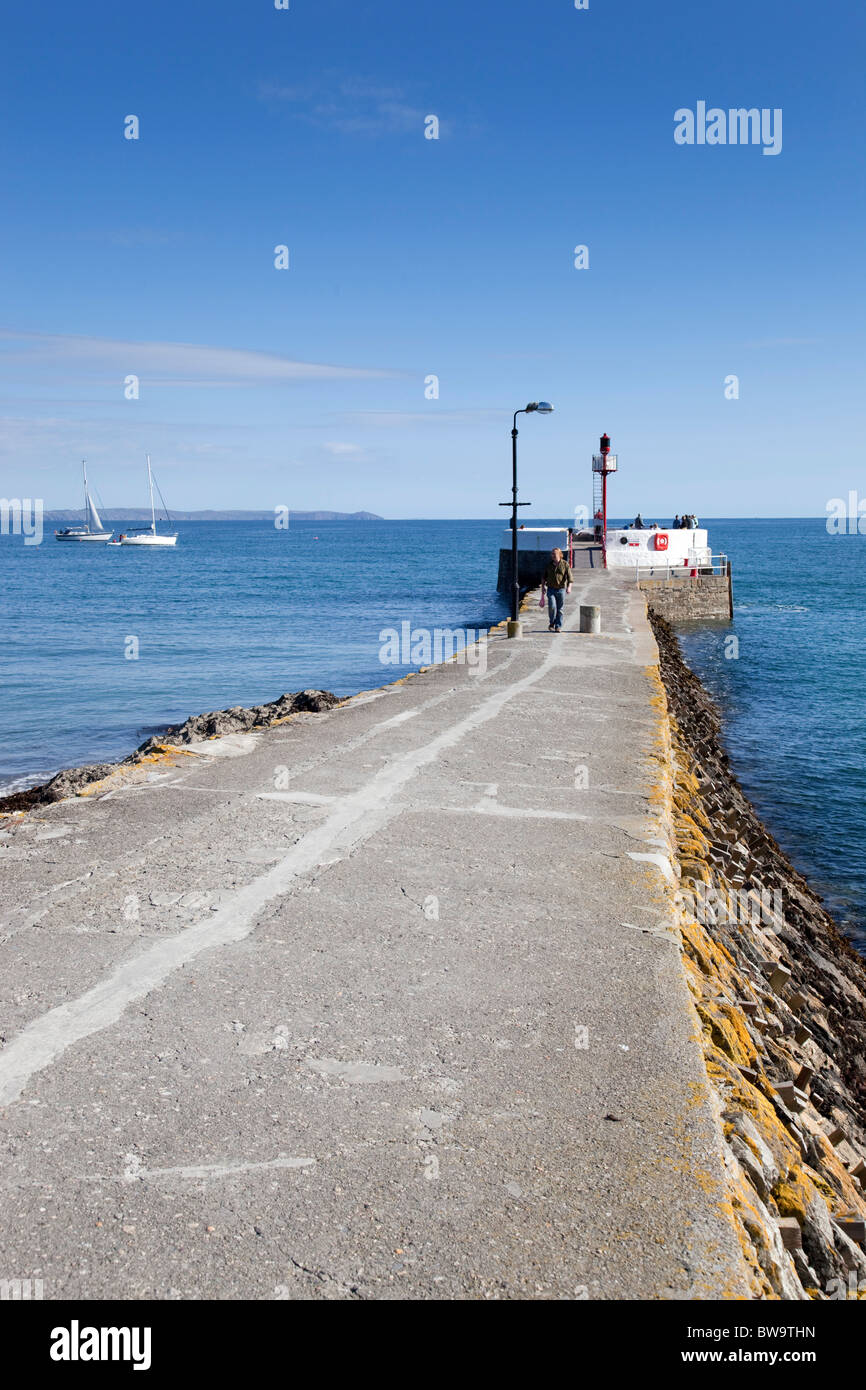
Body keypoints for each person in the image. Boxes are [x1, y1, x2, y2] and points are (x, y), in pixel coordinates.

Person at [542, 547, 573, 633]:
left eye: (554, 554)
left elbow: (570, 578)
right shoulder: (549, 565)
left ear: (559, 555)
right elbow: (544, 578)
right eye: (551, 554)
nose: (552, 555)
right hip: (551, 589)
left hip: (561, 590)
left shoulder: (565, 564)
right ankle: (552, 622)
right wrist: (543, 588)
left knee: (560, 609)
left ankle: (558, 626)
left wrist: (569, 587)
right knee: (552, 606)